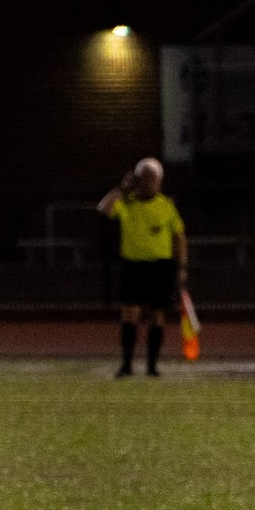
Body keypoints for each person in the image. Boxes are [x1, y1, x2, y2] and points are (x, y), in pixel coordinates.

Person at [97, 158, 187, 378]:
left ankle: (152, 366)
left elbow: (179, 237)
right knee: (130, 314)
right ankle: (127, 365)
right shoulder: (127, 202)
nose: (149, 183)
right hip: (133, 266)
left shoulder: (166, 205)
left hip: (160, 267)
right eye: (145, 178)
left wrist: (181, 268)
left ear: (160, 181)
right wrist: (121, 188)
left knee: (157, 315)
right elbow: (103, 209)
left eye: (153, 179)